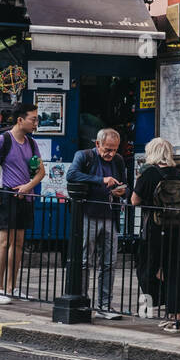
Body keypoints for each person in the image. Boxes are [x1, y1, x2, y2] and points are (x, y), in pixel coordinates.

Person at [0, 103, 43, 305]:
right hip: (6, 196)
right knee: (4, 242)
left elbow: (41, 171)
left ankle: (13, 287)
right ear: (20, 120)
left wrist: (28, 186)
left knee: (19, 243)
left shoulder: (32, 143)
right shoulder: (3, 139)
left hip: (25, 197)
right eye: (33, 119)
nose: (36, 123)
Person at [66, 128, 128, 320]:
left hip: (110, 216)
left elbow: (124, 184)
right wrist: (101, 180)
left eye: (114, 149)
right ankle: (83, 302)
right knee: (84, 261)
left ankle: (104, 306)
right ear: (97, 144)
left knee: (109, 263)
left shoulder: (118, 160)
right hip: (88, 214)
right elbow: (72, 175)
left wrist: (120, 190)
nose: (110, 154)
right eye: (107, 149)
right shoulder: (84, 156)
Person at [131, 137, 180, 331]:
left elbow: (134, 200)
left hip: (155, 231)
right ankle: (175, 316)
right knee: (175, 272)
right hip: (179, 230)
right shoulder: (179, 174)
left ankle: (164, 299)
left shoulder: (149, 173)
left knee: (145, 270)